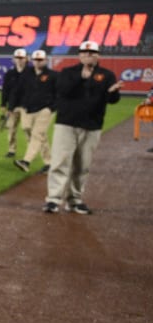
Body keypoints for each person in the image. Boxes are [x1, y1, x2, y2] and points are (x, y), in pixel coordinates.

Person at [43, 40, 122, 214]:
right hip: (67, 123)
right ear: (79, 54)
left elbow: (112, 100)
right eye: (84, 52)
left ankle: (75, 200)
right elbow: (63, 91)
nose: (88, 55)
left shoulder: (106, 75)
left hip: (92, 125)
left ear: (98, 55)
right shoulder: (67, 72)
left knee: (82, 165)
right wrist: (81, 77)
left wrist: (113, 93)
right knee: (60, 162)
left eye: (92, 52)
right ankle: (53, 199)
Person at [12, 49, 57, 173]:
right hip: (28, 108)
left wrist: (51, 108)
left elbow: (59, 93)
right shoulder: (27, 73)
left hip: (45, 109)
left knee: (37, 134)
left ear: (46, 60)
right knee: (28, 130)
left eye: (40, 60)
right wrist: (13, 106)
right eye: (35, 60)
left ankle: (26, 161)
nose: (37, 62)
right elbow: (19, 90)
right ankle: (49, 162)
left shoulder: (53, 75)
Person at [0, 48, 28, 158]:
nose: (19, 60)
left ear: (26, 59)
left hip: (27, 106)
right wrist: (3, 104)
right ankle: (11, 150)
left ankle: (30, 151)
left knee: (27, 128)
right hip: (13, 106)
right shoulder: (9, 74)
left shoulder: (31, 73)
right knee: (11, 128)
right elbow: (5, 89)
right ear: (13, 59)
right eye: (17, 57)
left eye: (21, 58)